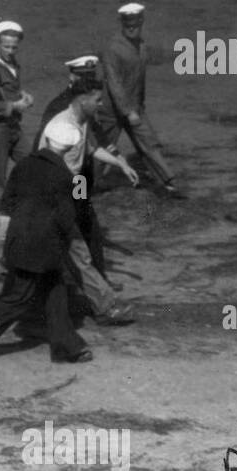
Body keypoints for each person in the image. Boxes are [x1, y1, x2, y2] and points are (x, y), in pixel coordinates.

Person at [0, 121, 92, 364]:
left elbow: (8, 202)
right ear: (72, 147)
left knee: (56, 292)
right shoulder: (65, 176)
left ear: (47, 139)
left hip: (20, 238)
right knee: (20, 297)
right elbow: (67, 217)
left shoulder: (24, 165)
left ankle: (67, 346)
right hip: (44, 245)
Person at [38, 75, 138, 326]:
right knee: (78, 253)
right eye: (97, 99)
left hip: (65, 196)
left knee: (65, 254)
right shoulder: (64, 128)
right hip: (53, 200)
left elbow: (92, 148)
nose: (101, 104)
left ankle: (40, 305)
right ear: (82, 100)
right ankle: (104, 307)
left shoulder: (81, 120)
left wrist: (120, 164)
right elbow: (55, 171)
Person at [98, 3, 185, 198]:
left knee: (149, 143)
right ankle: (81, 189)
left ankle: (169, 183)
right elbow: (114, 83)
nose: (132, 27)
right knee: (100, 151)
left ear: (141, 22)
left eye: (135, 24)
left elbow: (155, 57)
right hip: (112, 110)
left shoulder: (142, 45)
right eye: (128, 24)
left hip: (135, 107)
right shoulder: (112, 48)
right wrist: (128, 112)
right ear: (122, 23)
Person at [0, 20, 34, 210]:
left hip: (12, 128)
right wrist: (15, 106)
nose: (10, 51)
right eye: (6, 46)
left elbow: (9, 90)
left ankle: (14, 202)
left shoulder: (12, 65)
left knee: (30, 162)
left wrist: (22, 96)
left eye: (14, 47)